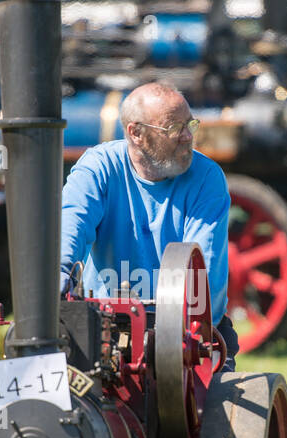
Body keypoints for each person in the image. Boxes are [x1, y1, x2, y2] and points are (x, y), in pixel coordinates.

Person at [60, 82, 237, 369]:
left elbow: (205, 269)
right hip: (104, 327)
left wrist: (177, 334)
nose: (188, 136)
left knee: (212, 409)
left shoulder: (206, 178)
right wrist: (60, 271)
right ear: (137, 133)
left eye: (190, 124)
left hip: (186, 333)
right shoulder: (98, 168)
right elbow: (72, 223)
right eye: (173, 128)